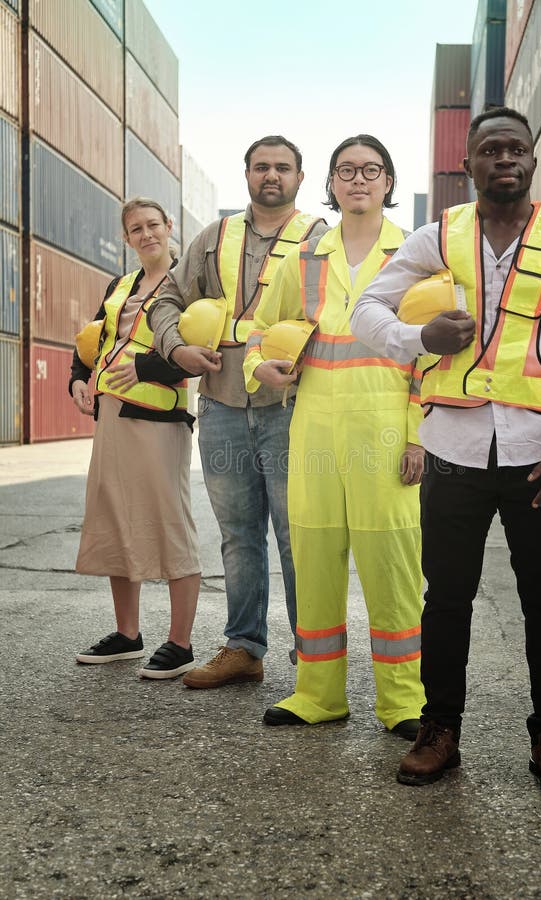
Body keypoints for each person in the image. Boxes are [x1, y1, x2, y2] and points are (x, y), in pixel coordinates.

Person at [350, 108, 541, 795]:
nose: (504, 159)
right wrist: (418, 341)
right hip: (454, 451)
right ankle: (440, 730)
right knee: (445, 599)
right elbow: (366, 311)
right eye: (489, 150)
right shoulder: (437, 237)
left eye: (516, 149)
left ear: (532, 162)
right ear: (467, 166)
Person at [244, 135, 426, 741]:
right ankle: (318, 694)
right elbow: (260, 332)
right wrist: (259, 369)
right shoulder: (305, 258)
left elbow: (435, 359)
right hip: (315, 429)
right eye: (346, 170)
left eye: (371, 170)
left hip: (385, 432)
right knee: (315, 562)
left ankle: (402, 701)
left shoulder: (418, 255)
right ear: (330, 183)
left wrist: (419, 436)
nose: (358, 180)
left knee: (392, 569)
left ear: (389, 183)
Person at [148, 136, 328, 689]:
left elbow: (344, 312)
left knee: (299, 533)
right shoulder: (214, 237)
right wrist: (175, 348)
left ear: (300, 176)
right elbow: (165, 300)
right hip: (223, 402)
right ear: (246, 174)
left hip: (292, 407)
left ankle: (313, 659)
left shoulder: (322, 239)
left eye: (282, 167)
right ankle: (244, 647)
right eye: (260, 167)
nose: (270, 175)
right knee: (237, 534)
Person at [70, 197, 201, 680]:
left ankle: (180, 643)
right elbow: (92, 342)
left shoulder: (189, 284)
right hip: (110, 418)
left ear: (170, 227)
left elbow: (201, 352)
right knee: (114, 521)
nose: (146, 234)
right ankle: (128, 635)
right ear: (126, 238)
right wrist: (77, 379)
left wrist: (144, 366)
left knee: (168, 522)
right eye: (135, 229)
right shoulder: (119, 285)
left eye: (153, 225)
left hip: (158, 420)